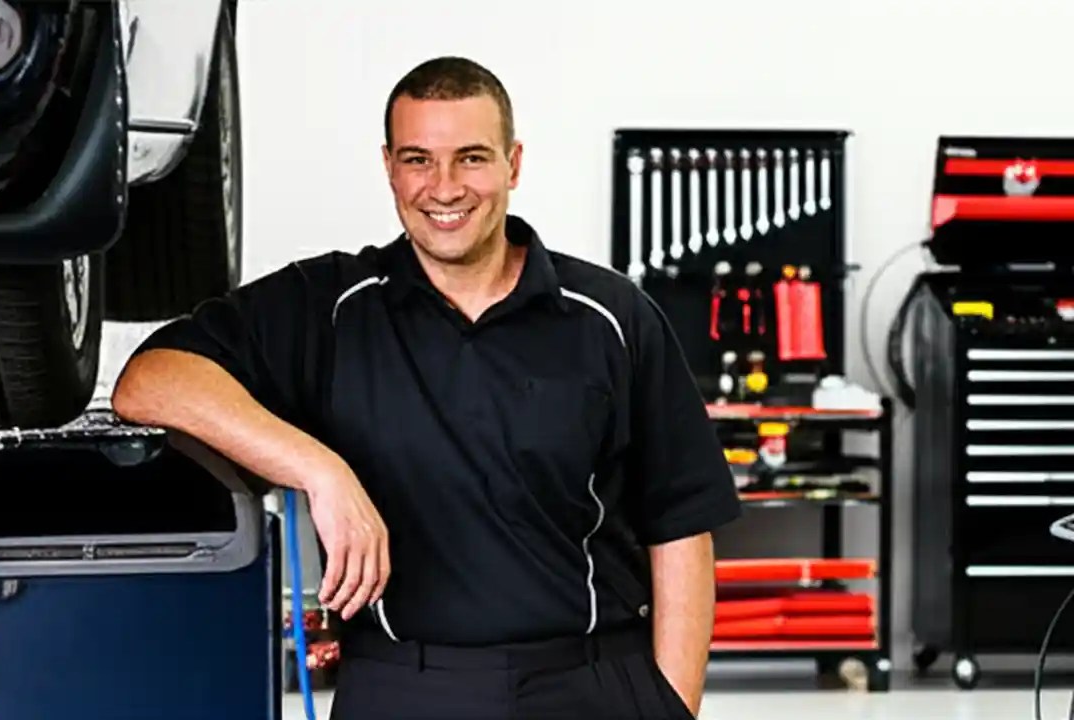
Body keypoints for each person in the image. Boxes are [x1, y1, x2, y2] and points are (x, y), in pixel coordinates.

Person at [112, 55, 742, 719]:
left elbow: (680, 526)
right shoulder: (331, 308)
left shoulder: (612, 316)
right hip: (400, 687)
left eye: (471, 158)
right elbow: (150, 381)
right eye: (418, 159)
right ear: (389, 166)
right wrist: (320, 471)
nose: (444, 188)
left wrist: (671, 708)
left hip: (586, 684)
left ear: (513, 164)